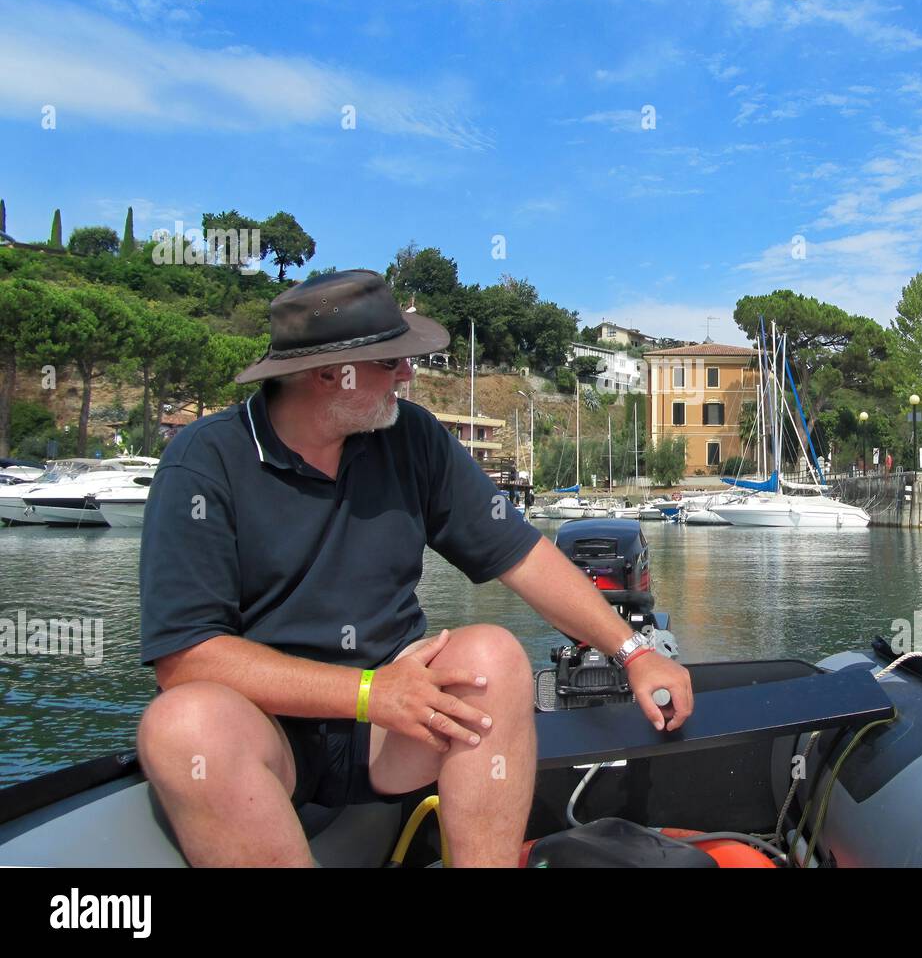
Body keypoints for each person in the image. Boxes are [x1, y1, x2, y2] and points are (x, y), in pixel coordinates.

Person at [136, 270, 693, 868]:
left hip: (393, 729)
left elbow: (525, 555)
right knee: (182, 725)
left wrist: (632, 651)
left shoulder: (411, 438)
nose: (408, 374)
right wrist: (368, 692)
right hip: (268, 732)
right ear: (329, 374)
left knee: (493, 659)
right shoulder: (204, 462)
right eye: (392, 362)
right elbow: (187, 657)